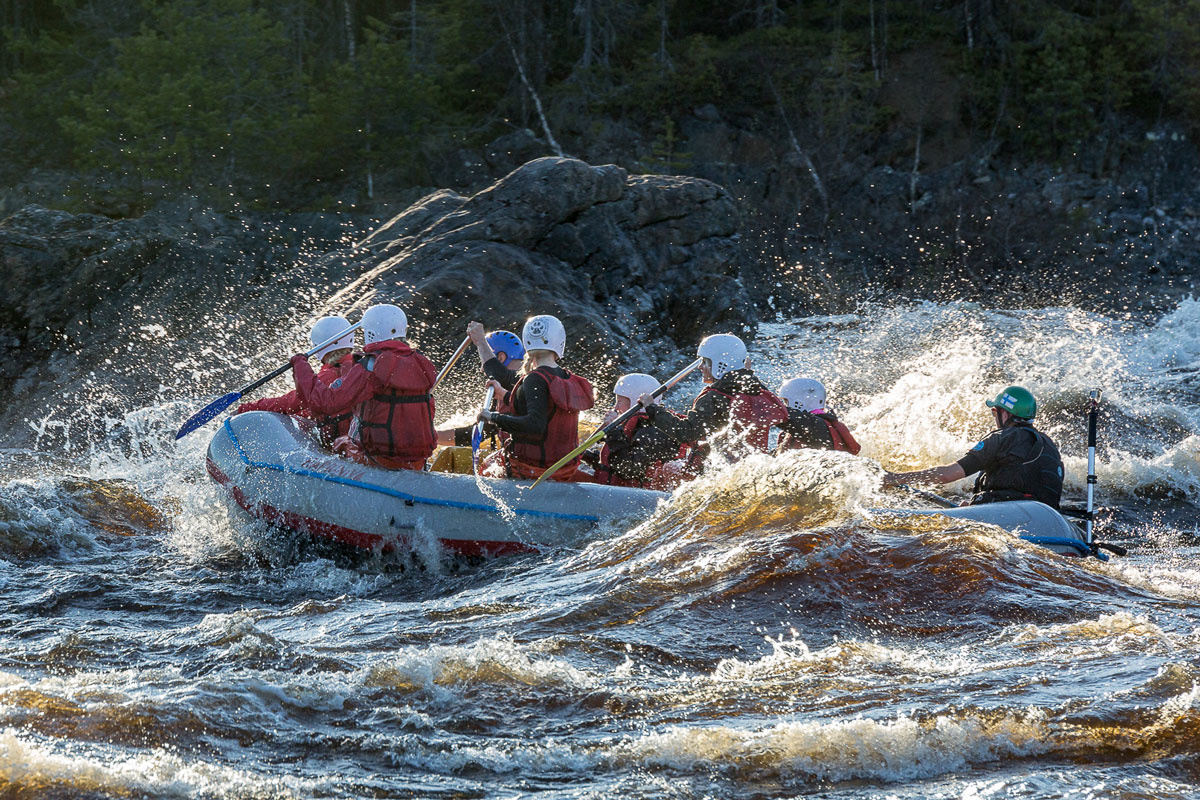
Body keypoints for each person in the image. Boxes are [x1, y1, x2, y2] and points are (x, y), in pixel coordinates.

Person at [291, 303, 438, 471]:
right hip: (418, 460)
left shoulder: (371, 366)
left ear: (371, 332)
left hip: (377, 459)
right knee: (346, 438)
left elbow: (325, 403)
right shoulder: (420, 362)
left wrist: (300, 364)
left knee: (340, 442)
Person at [882, 385, 1063, 508]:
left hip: (1012, 509)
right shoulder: (1049, 444)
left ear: (1005, 414)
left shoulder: (1002, 438)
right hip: (1046, 513)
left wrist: (893, 478)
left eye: (995, 412)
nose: (994, 417)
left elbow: (947, 474)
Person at [637, 333, 788, 473]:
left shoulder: (714, 397)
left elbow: (686, 432)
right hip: (751, 470)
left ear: (719, 364)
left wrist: (652, 409)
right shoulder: (755, 390)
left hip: (717, 472)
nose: (700, 366)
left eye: (704, 361)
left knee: (668, 470)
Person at [475, 314, 595, 481]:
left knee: (487, 465)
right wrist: (503, 393)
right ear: (559, 343)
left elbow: (535, 424)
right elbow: (538, 404)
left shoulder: (535, 378)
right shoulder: (564, 376)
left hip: (532, 469)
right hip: (564, 467)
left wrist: (493, 417)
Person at [235, 315, 357, 446]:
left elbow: (289, 403)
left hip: (341, 443)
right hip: (355, 435)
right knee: (301, 415)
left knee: (295, 416)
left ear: (318, 345)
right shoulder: (361, 366)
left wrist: (245, 408)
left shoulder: (327, 377)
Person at [584, 372, 684, 489]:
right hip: (617, 489)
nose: (616, 407)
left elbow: (629, 471)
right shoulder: (634, 425)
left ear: (634, 402)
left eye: (620, 401)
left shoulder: (653, 432)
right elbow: (615, 460)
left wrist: (613, 432)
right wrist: (588, 457)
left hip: (639, 497)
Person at [435, 324, 526, 448]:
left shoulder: (527, 381)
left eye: (483, 361)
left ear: (500, 358)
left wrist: (481, 342)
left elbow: (499, 374)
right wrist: (431, 435)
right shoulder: (503, 390)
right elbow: (477, 433)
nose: (482, 369)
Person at [776, 377, 860, 454]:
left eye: (786, 402)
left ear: (799, 403)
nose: (785, 406)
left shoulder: (816, 426)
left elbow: (788, 416)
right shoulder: (820, 425)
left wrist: (765, 400)